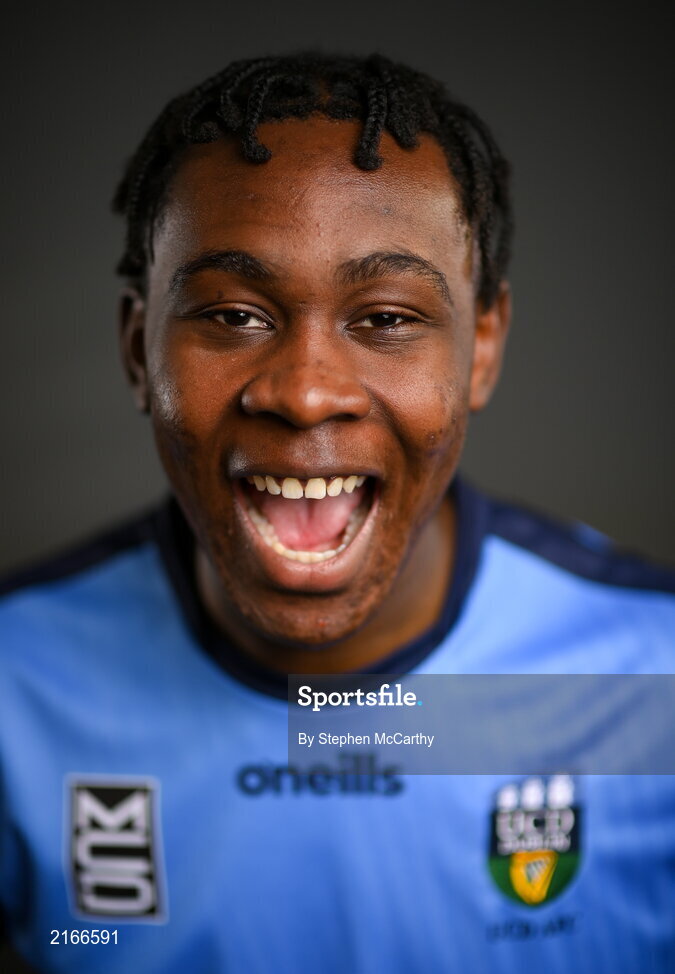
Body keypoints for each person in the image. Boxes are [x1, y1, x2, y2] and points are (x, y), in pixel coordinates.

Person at [0, 53, 673, 974]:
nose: (307, 393)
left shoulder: (651, 675)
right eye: (233, 315)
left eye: (387, 317)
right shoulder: (18, 682)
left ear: (481, 348)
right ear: (134, 348)